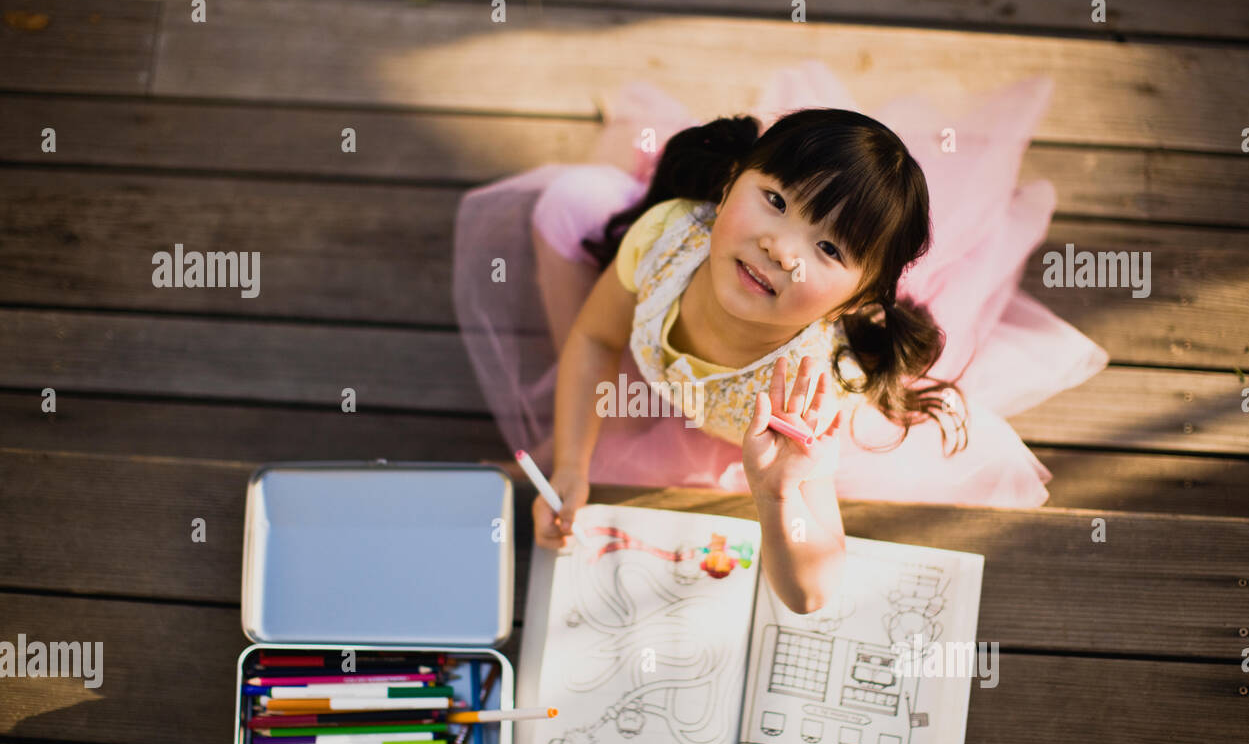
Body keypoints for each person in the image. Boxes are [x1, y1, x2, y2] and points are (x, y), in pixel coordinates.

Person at [450, 64, 1108, 612]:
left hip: (740, 422)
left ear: (854, 299)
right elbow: (595, 337)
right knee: (573, 202)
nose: (782, 250)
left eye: (827, 247)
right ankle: (600, 425)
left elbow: (813, 591)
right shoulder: (670, 236)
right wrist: (566, 464)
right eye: (775, 201)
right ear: (731, 180)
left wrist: (780, 494)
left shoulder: (807, 390)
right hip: (660, 360)